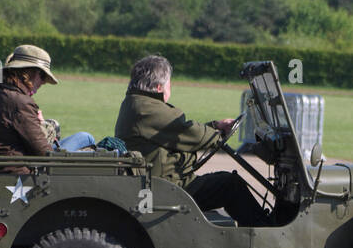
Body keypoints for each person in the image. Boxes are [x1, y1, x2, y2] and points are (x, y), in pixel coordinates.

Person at [114, 54, 272, 226]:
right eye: (169, 84)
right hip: (168, 187)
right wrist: (215, 134)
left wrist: (215, 126)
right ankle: (264, 231)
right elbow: (187, 131)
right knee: (231, 185)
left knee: (228, 183)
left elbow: (178, 132)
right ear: (159, 87)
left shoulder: (137, 103)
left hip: (161, 181)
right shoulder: (146, 108)